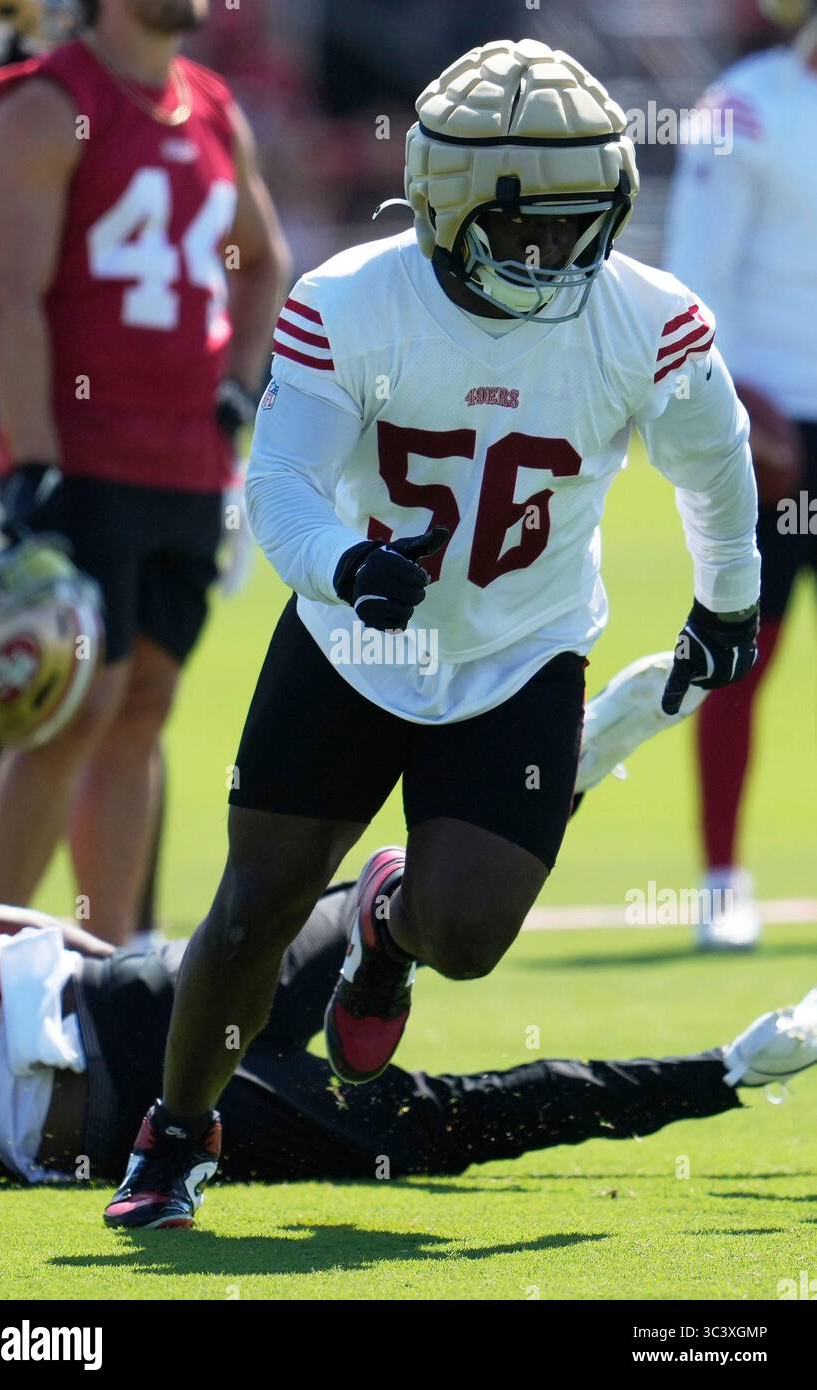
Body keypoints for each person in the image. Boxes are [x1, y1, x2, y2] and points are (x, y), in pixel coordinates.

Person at [105, 37, 761, 1229]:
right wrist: (345, 563)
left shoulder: (646, 320)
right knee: (254, 905)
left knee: (464, 935)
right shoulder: (347, 302)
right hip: (355, 643)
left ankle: (384, 926)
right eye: (528, 229)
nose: (555, 255)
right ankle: (177, 1129)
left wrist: (728, 596)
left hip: (521, 650)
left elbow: (712, 469)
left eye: (579, 222)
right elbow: (283, 483)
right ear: (453, 209)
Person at [0, 0, 289, 946]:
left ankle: (106, 966)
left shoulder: (212, 107)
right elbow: (8, 291)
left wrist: (239, 388)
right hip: (82, 460)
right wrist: (31, 460)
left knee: (143, 708)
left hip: (188, 465)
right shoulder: (48, 103)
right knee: (70, 710)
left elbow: (262, 260)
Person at [0, 874, 814, 1197]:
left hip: (120, 1107)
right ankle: (565, 763)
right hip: (131, 995)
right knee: (405, 910)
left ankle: (732, 1069)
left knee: (441, 1124)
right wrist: (125, 966)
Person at [665, 0, 817, 950]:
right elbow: (692, 282)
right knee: (742, 650)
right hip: (777, 417)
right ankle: (720, 879)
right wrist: (740, 410)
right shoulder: (743, 110)